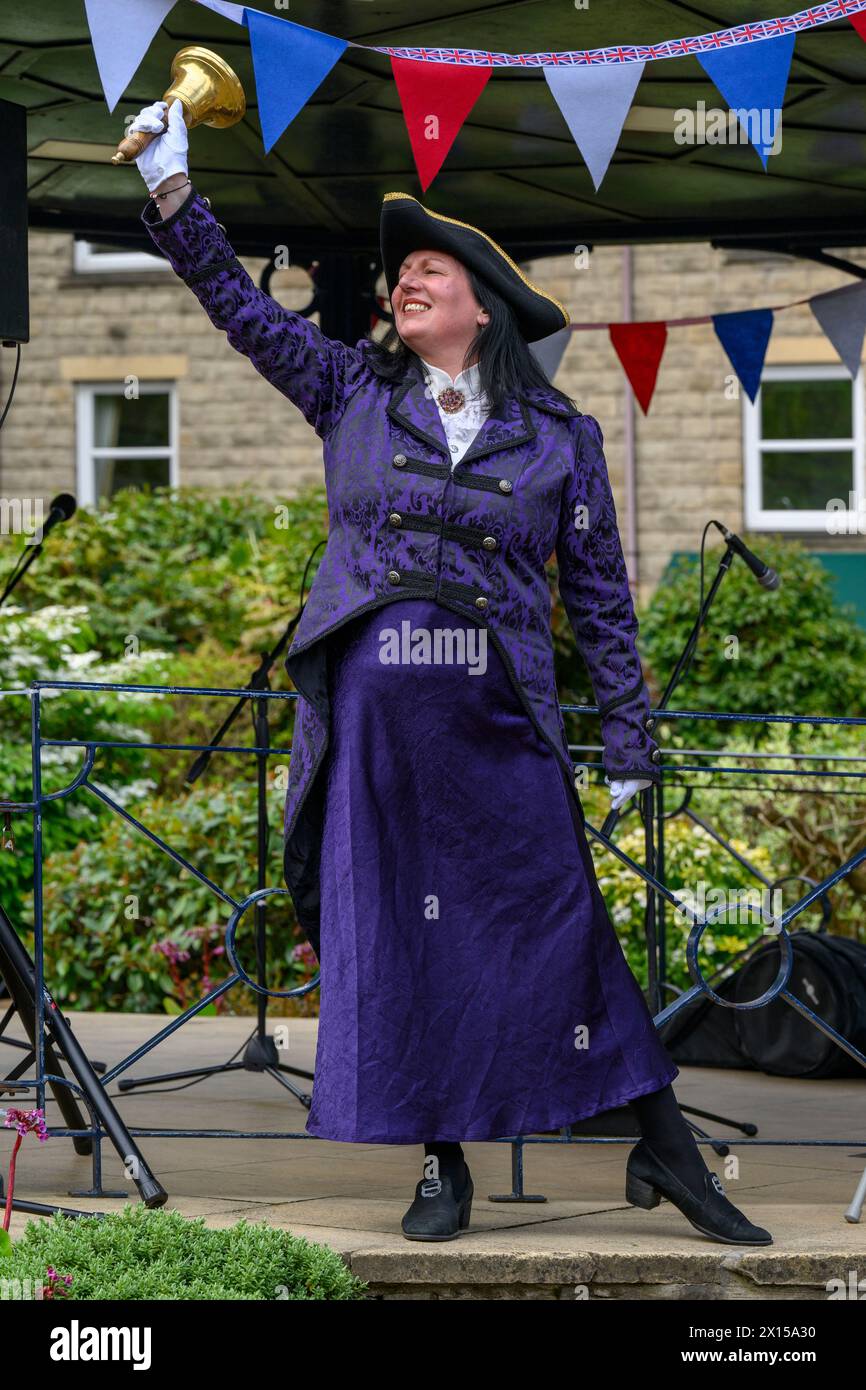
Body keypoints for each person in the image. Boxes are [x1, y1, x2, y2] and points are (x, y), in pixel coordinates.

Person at [130, 98, 772, 1248]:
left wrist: (627, 738)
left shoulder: (560, 439)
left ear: (485, 302)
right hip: (377, 735)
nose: (404, 284)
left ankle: (663, 1149)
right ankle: (441, 1166)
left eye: (428, 269)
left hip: (499, 725)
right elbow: (237, 310)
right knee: (406, 942)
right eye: (399, 275)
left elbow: (600, 600)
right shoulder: (351, 395)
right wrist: (178, 192)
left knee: (559, 926)